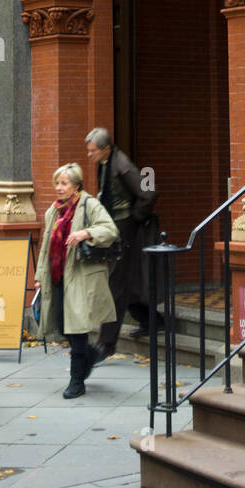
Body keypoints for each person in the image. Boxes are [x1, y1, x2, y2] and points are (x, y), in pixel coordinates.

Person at [34, 163, 118, 399]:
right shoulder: (54, 211)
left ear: (76, 185)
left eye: (64, 183)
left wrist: (86, 233)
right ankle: (90, 357)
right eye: (57, 183)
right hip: (58, 276)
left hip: (81, 277)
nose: (59, 188)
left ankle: (76, 380)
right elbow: (45, 247)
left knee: (77, 329)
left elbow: (110, 229)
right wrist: (40, 276)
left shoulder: (89, 205)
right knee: (62, 326)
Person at [85, 128, 159, 361]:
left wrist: (134, 219)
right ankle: (152, 321)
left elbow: (149, 193)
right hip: (113, 226)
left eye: (93, 151)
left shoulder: (122, 165)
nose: (89, 155)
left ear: (106, 148)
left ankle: (107, 344)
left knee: (116, 284)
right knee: (126, 279)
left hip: (125, 228)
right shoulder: (105, 162)